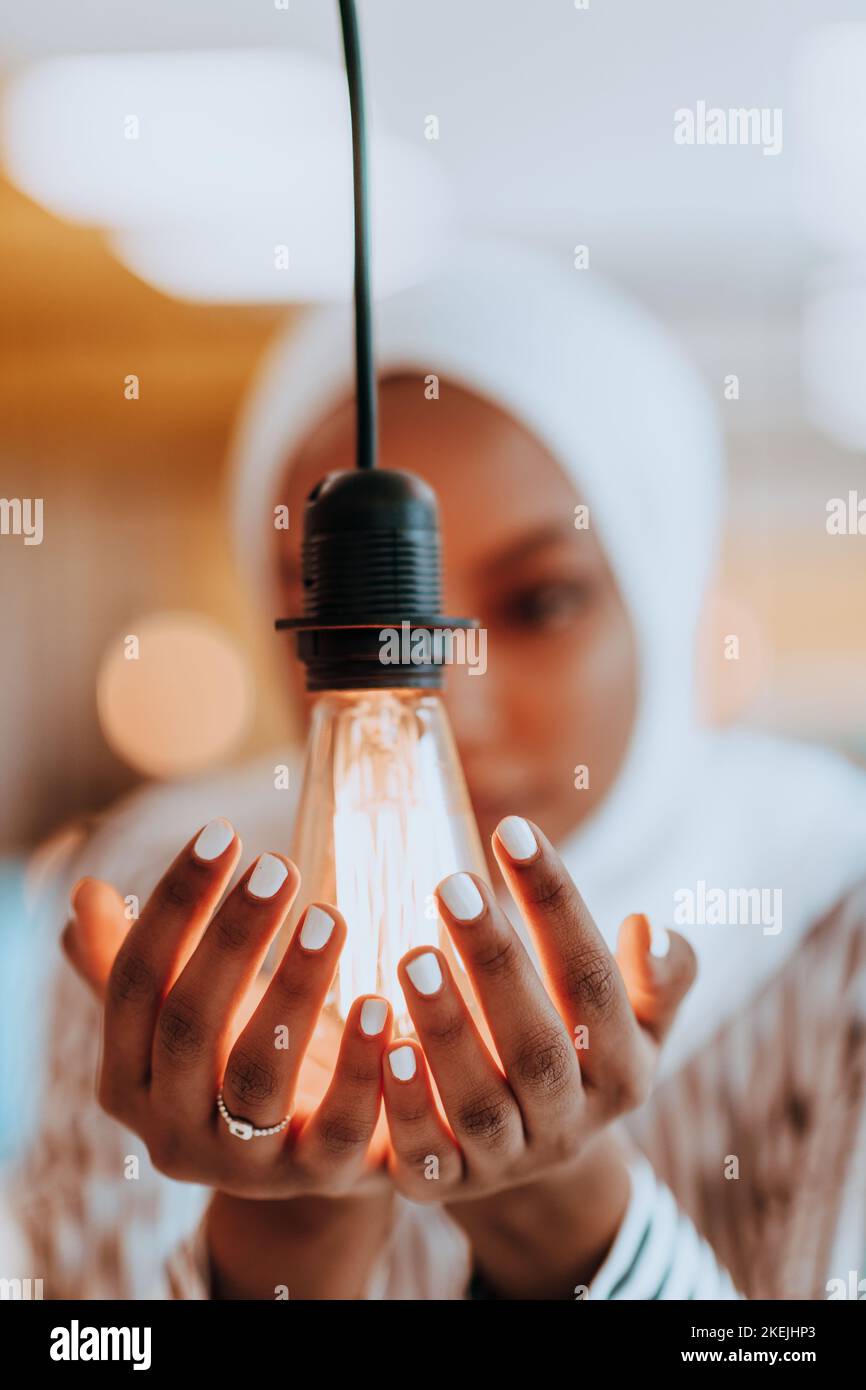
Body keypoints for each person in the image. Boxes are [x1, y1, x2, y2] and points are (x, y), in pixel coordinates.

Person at [13, 245, 866, 1300]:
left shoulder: (833, 919)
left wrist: (576, 1231)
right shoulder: (173, 906)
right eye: (342, 625)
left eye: (539, 601)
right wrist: (283, 1255)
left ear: (661, 581)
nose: (450, 711)